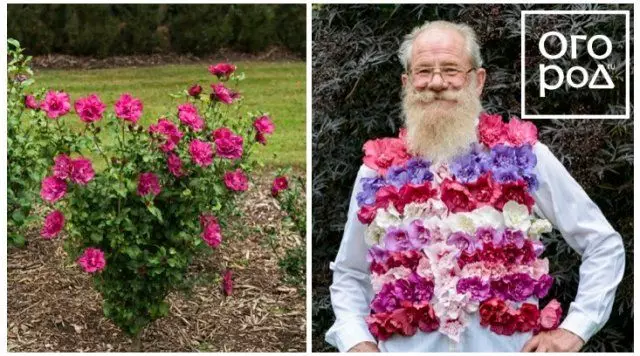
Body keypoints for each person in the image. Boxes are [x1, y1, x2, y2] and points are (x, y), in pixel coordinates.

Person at [325, 20, 625, 352]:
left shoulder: (524, 159)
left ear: (477, 81)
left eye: (451, 70)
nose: (437, 83)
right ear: (407, 83)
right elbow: (350, 274)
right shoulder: (378, 172)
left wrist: (575, 329)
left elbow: (603, 244)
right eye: (424, 72)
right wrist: (356, 342)